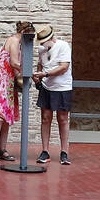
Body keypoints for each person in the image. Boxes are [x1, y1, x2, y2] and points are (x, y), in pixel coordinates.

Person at [0, 22, 34, 164]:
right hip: (2, 82)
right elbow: (15, 63)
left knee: (5, 119)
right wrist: (29, 71)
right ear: (23, 31)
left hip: (8, 83)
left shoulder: (17, 42)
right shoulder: (14, 41)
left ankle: (1, 149)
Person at [33, 25, 73, 165]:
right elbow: (40, 64)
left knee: (63, 119)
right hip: (46, 87)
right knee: (45, 118)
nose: (42, 44)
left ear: (51, 38)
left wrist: (46, 74)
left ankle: (64, 152)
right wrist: (38, 77)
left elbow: (64, 67)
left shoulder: (63, 46)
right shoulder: (41, 49)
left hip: (62, 87)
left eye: (44, 41)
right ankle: (45, 151)